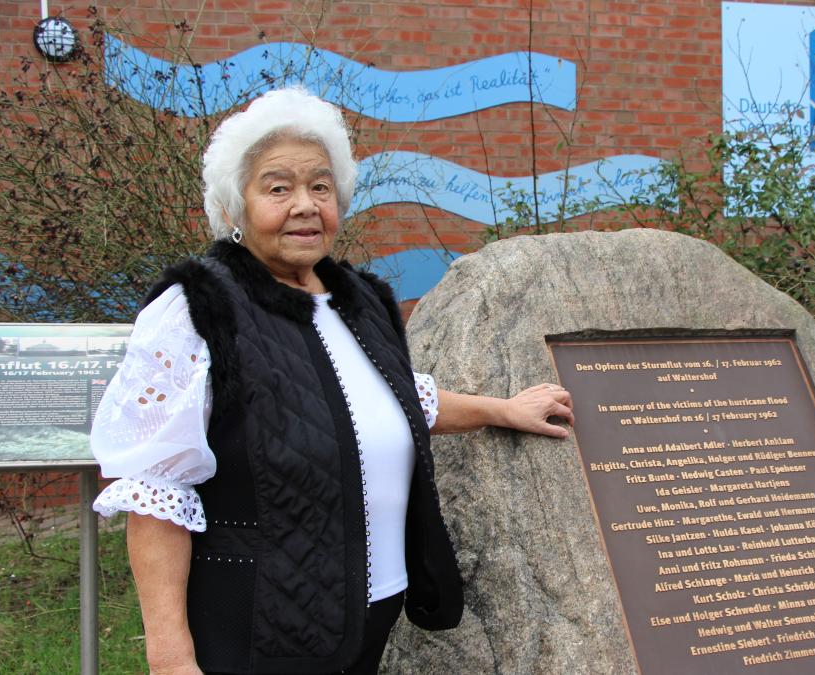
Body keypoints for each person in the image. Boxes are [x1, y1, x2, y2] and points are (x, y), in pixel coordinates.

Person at [89, 87, 574, 675]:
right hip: (257, 624)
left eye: (320, 186)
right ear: (234, 208)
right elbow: (157, 490)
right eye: (277, 187)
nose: (304, 205)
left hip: (369, 611)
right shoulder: (197, 309)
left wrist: (501, 409)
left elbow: (389, 402)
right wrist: (169, 653)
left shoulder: (360, 299)